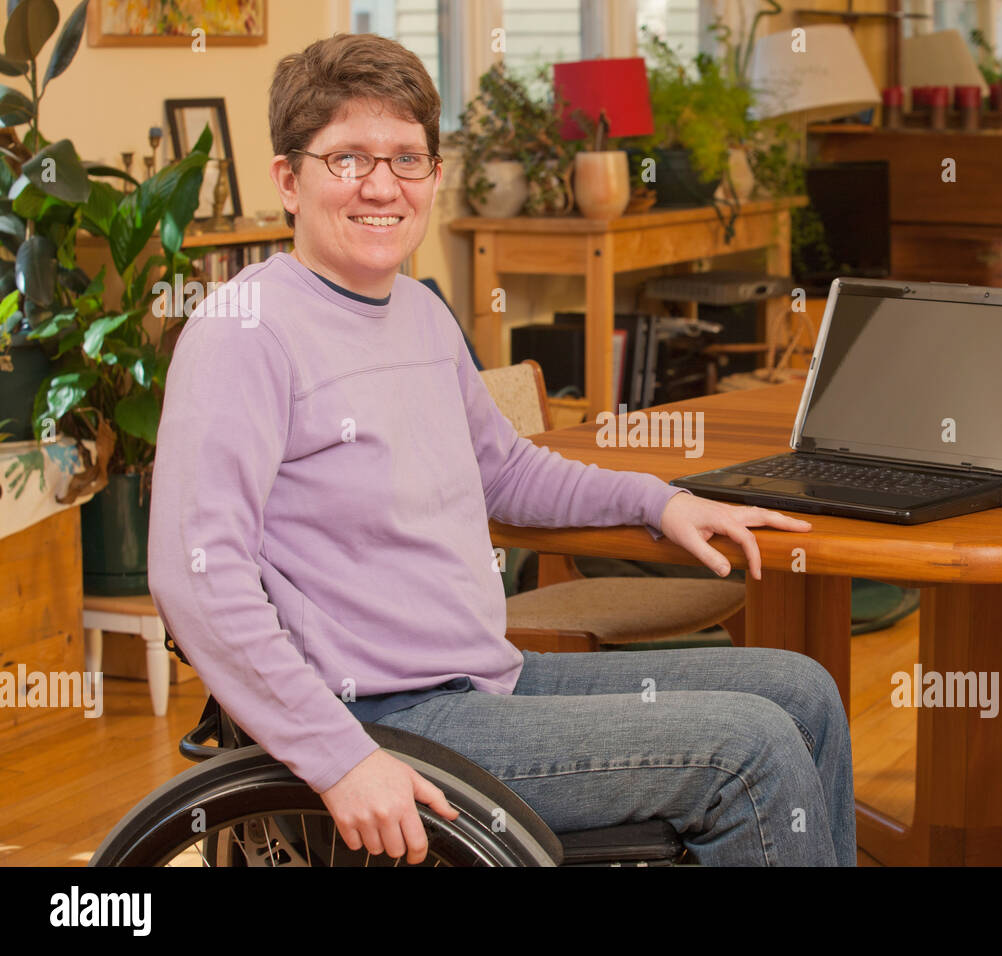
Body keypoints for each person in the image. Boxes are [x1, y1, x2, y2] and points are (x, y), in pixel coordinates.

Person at [147, 32, 856, 866]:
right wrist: (340, 757)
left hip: (483, 682)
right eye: (347, 159)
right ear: (288, 181)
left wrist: (660, 500)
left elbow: (505, 470)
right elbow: (194, 578)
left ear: (435, 178)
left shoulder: (416, 310)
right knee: (749, 750)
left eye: (408, 158)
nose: (382, 186)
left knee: (804, 694)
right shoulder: (245, 332)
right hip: (380, 718)